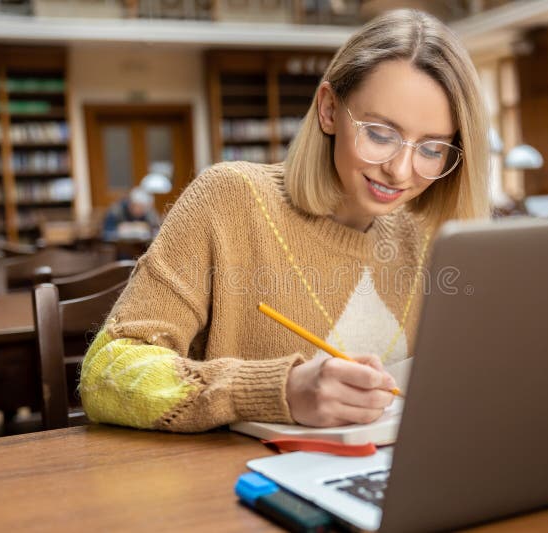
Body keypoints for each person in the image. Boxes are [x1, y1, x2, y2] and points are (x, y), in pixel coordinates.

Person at [79, 8, 490, 433]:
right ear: (329, 109)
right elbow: (107, 371)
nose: (401, 171)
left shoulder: (428, 235)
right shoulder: (230, 199)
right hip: (238, 487)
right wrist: (280, 389)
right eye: (380, 134)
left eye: (431, 149)